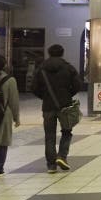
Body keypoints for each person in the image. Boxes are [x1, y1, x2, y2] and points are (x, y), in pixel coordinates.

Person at [32, 44, 82, 173]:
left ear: (49, 53)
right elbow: (77, 85)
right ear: (62, 53)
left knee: (49, 135)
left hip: (48, 106)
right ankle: (62, 156)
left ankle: (51, 165)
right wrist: (67, 94)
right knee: (66, 131)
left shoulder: (41, 69)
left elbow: (34, 87)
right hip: (64, 105)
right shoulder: (68, 68)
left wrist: (44, 96)